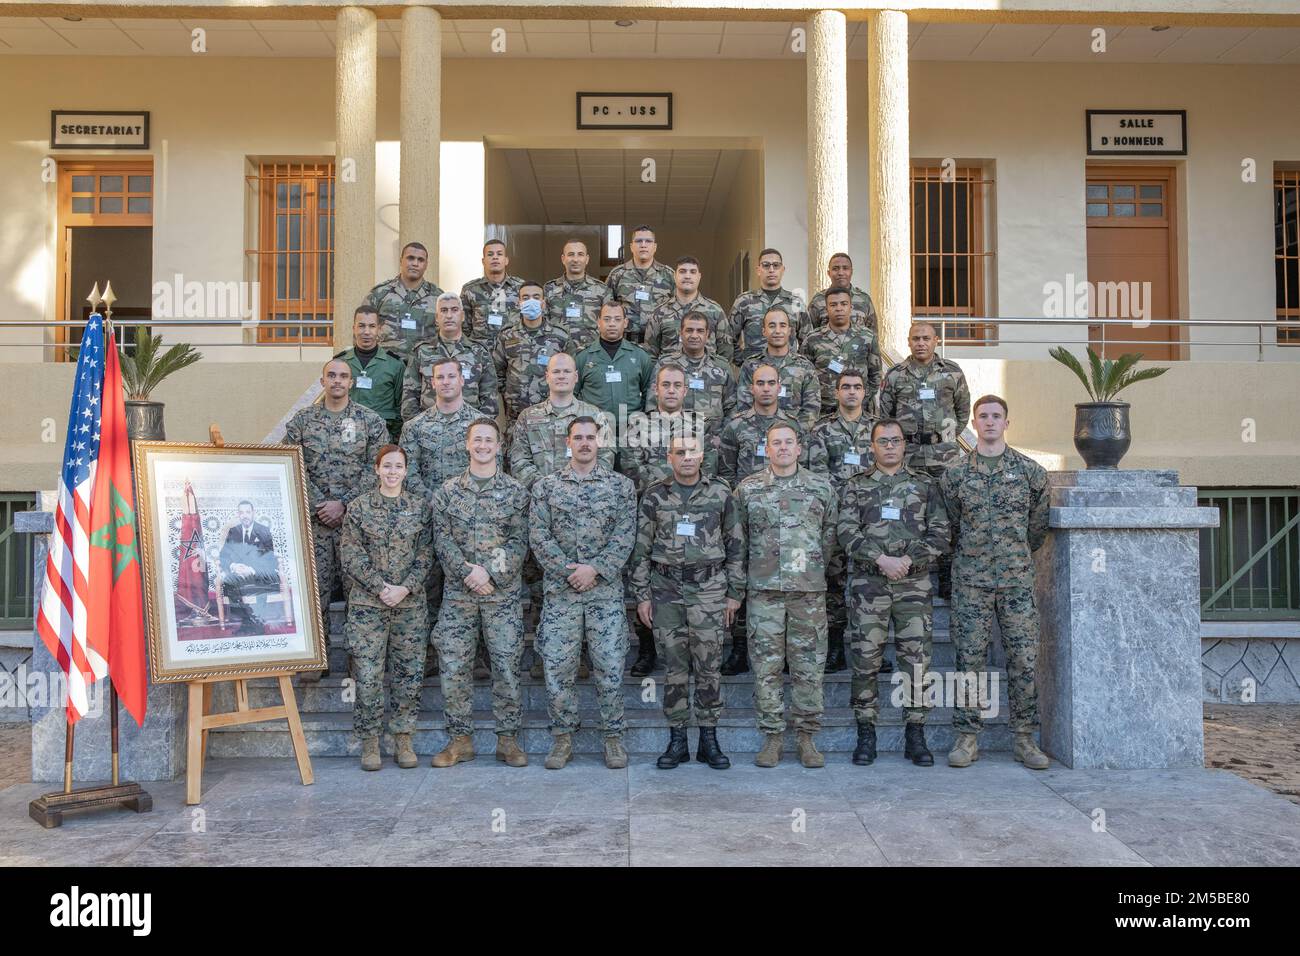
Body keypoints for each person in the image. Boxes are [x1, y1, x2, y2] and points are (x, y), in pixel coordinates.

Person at [940, 395, 1051, 771]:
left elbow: (1037, 528)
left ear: (1007, 423)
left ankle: (1024, 738)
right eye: (983, 416)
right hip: (971, 581)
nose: (989, 422)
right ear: (974, 422)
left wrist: (1012, 554)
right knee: (968, 659)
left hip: (1017, 581)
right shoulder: (956, 474)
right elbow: (951, 526)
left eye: (996, 416)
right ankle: (967, 737)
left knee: (1023, 660)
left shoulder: (1030, 473)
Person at [837, 419, 950, 767]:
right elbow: (844, 531)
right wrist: (880, 559)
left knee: (915, 662)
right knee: (865, 660)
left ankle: (915, 733)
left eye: (896, 440)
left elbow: (941, 533)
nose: (889, 446)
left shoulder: (925, 486)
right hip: (868, 586)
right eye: (882, 441)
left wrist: (906, 560)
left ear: (904, 445)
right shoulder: (855, 487)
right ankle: (866, 732)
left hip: (913, 587)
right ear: (872, 446)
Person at [529, 417, 637, 771]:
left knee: (609, 665)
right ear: (568, 442)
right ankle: (562, 738)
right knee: (558, 669)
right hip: (562, 593)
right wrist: (569, 571)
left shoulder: (620, 486)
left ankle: (613, 737)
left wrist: (596, 569)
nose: (586, 443)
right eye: (579, 438)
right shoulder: (546, 487)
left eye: (591, 438)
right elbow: (539, 536)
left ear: (600, 442)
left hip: (604, 593)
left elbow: (625, 535)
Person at [632, 434, 743, 770]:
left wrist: (734, 593)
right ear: (670, 457)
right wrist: (641, 595)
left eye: (692, 451)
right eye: (680, 452)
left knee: (709, 667)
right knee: (675, 668)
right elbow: (641, 547)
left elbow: (736, 544)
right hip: (666, 591)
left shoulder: (721, 493)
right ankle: (678, 738)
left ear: (702, 456)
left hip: (709, 590)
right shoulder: (654, 494)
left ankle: (709, 738)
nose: (687, 458)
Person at [732, 423, 838, 768]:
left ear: (799, 448)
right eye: (775, 442)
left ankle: (807, 738)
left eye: (788, 442)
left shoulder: (821, 488)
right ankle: (773, 736)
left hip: (808, 593)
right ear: (766, 448)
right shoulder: (748, 490)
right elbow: (739, 542)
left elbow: (829, 538)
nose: (782, 448)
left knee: (809, 667)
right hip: (764, 593)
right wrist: (738, 590)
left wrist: (811, 572)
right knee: (766, 668)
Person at [428, 419, 531, 769]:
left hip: (501, 596)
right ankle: (460, 741)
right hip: (459, 595)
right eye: (477, 440)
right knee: (454, 667)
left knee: (506, 665)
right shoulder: (447, 492)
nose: (483, 446)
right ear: (467, 445)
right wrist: (468, 572)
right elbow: (442, 540)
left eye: (489, 440)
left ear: (499, 446)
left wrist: (491, 572)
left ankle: (508, 740)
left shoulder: (516, 491)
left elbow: (520, 541)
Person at [508, 352, 614, 679]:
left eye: (568, 371)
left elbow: (607, 459)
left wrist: (577, 487)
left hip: (587, 516)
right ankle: (546, 656)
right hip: (542, 512)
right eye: (556, 371)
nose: (562, 376)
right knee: (543, 585)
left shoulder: (595, 416)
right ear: (547, 376)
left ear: (576, 377)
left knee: (583, 583)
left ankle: (582, 655)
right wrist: (547, 489)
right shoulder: (529, 417)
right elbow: (518, 460)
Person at [284, 359, 389, 683]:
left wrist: (343, 505)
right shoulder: (302, 422)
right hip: (315, 524)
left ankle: (362, 661)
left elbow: (379, 468)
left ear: (352, 382)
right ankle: (315, 660)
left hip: (357, 525)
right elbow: (290, 463)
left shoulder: (370, 421)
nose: (338, 381)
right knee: (315, 594)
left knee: (360, 595)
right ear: (322, 381)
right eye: (332, 375)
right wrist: (321, 504)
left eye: (344, 376)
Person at [339, 444, 432, 771]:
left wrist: (405, 588)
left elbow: (426, 555)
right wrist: (381, 588)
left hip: (409, 605)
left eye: (398, 466)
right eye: (387, 466)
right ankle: (370, 742)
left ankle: (404, 738)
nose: (393, 472)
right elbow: (351, 554)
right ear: (377, 469)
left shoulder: (420, 509)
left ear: (406, 471)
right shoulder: (360, 508)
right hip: (368, 605)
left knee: (408, 674)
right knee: (367, 674)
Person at [879, 320, 971, 597]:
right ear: (908, 341)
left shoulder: (952, 373)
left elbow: (962, 413)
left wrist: (942, 437)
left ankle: (946, 575)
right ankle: (910, 572)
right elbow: (885, 415)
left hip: (944, 456)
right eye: (916, 338)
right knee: (908, 513)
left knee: (949, 514)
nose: (921, 343)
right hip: (908, 456)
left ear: (935, 341)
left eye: (926, 338)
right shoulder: (896, 376)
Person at [808, 369, 876, 673]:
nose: (851, 392)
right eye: (845, 387)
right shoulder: (822, 431)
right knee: (834, 583)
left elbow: (888, 467)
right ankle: (835, 648)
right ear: (836, 392)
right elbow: (818, 477)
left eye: (857, 387)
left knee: (871, 584)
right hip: (835, 518)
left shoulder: (878, 429)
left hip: (872, 519)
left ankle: (871, 650)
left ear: (865, 392)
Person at [647, 311, 735, 471]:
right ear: (681, 333)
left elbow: (732, 408)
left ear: (708, 334)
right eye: (689, 330)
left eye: (700, 331)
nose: (694, 335)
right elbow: (652, 406)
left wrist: (722, 438)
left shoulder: (722, 367)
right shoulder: (665, 364)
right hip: (675, 447)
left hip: (714, 447)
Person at [573, 300, 655, 461]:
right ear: (598, 322)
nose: (612, 324)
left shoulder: (640, 356)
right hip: (595, 433)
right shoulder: (583, 357)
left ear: (625, 323)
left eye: (617, 319)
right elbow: (574, 395)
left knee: (632, 479)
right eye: (607, 319)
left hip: (631, 434)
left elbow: (649, 393)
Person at [402, 293, 499, 421]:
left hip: (469, 430)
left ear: (462, 316)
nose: (449, 316)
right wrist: (418, 428)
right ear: (437, 317)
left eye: (454, 310)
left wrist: (479, 429)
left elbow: (490, 398)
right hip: (429, 429)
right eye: (443, 310)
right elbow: (409, 396)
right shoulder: (421, 351)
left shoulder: (479, 352)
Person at [491, 279, 572, 428]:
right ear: (518, 302)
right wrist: (510, 397)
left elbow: (571, 374)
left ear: (543, 303)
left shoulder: (560, 335)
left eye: (536, 297)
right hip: (515, 418)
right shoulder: (507, 335)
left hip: (553, 416)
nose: (531, 301)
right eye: (526, 298)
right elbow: (498, 373)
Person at [800, 286, 882, 416]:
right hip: (823, 412)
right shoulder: (813, 339)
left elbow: (875, 375)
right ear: (827, 309)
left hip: (859, 412)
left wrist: (861, 399)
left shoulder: (867, 337)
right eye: (833, 305)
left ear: (851, 307)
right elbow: (804, 376)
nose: (839, 308)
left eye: (844, 304)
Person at [735, 309, 821, 431]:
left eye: (783, 325)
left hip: (794, 439)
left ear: (790, 331)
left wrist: (793, 434)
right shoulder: (750, 365)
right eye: (772, 326)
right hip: (758, 436)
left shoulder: (805, 366)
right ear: (764, 331)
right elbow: (744, 405)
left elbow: (811, 408)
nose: (778, 331)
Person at [336, 304, 406, 443]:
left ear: (379, 329)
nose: (366, 331)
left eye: (372, 326)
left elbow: (401, 407)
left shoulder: (395, 365)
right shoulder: (340, 363)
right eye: (361, 326)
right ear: (354, 329)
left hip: (382, 437)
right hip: (346, 437)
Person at [641, 256, 732, 362]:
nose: (687, 276)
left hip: (706, 376)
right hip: (671, 376)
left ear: (699, 277)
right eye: (682, 271)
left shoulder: (715, 311)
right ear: (675, 276)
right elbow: (650, 355)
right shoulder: (659, 313)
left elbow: (726, 353)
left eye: (693, 272)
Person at [365, 241, 443, 360]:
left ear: (426, 264)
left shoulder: (438, 297)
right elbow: (363, 329)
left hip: (423, 367)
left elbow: (446, 333)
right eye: (410, 258)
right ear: (401, 260)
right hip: (386, 365)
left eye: (420, 260)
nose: (415, 263)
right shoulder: (380, 293)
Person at [729, 248, 809, 364]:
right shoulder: (744, 301)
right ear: (758, 270)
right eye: (766, 265)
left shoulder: (795, 302)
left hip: (788, 374)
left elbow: (807, 340)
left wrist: (797, 366)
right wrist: (743, 362)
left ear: (783, 270)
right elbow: (728, 338)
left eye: (776, 265)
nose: (771, 270)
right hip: (755, 374)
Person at [603, 225, 676, 344]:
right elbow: (606, 309)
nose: (643, 245)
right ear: (631, 246)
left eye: (648, 241)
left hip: (658, 344)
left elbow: (677, 310)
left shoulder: (669, 276)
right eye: (638, 241)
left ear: (655, 247)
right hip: (625, 344)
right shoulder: (617, 275)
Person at [219, 500, 278, 636]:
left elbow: (270, 559)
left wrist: (251, 569)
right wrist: (234, 566)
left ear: (253, 513)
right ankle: (246, 621)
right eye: (241, 512)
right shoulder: (233, 532)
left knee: (260, 586)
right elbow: (223, 556)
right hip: (239, 575)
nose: (244, 515)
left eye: (247, 512)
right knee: (228, 585)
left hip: (258, 573)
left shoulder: (263, 531)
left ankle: (257, 624)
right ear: (238, 515)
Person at [544, 239, 610, 353]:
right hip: (557, 356)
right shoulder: (549, 288)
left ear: (587, 259)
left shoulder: (601, 290)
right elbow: (542, 324)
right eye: (570, 255)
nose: (575, 259)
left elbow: (609, 324)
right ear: (563, 259)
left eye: (580, 254)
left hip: (591, 355)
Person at [461, 238, 525, 350]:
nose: (495, 257)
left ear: (506, 260)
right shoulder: (470, 289)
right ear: (483, 261)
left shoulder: (521, 288)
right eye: (490, 254)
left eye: (499, 254)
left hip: (512, 353)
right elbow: (464, 327)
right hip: (480, 354)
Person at [807, 252, 878, 332]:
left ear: (851, 272)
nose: (840, 273)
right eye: (835, 269)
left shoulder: (864, 300)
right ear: (828, 273)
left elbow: (872, 334)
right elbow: (809, 333)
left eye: (845, 268)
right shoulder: (818, 301)